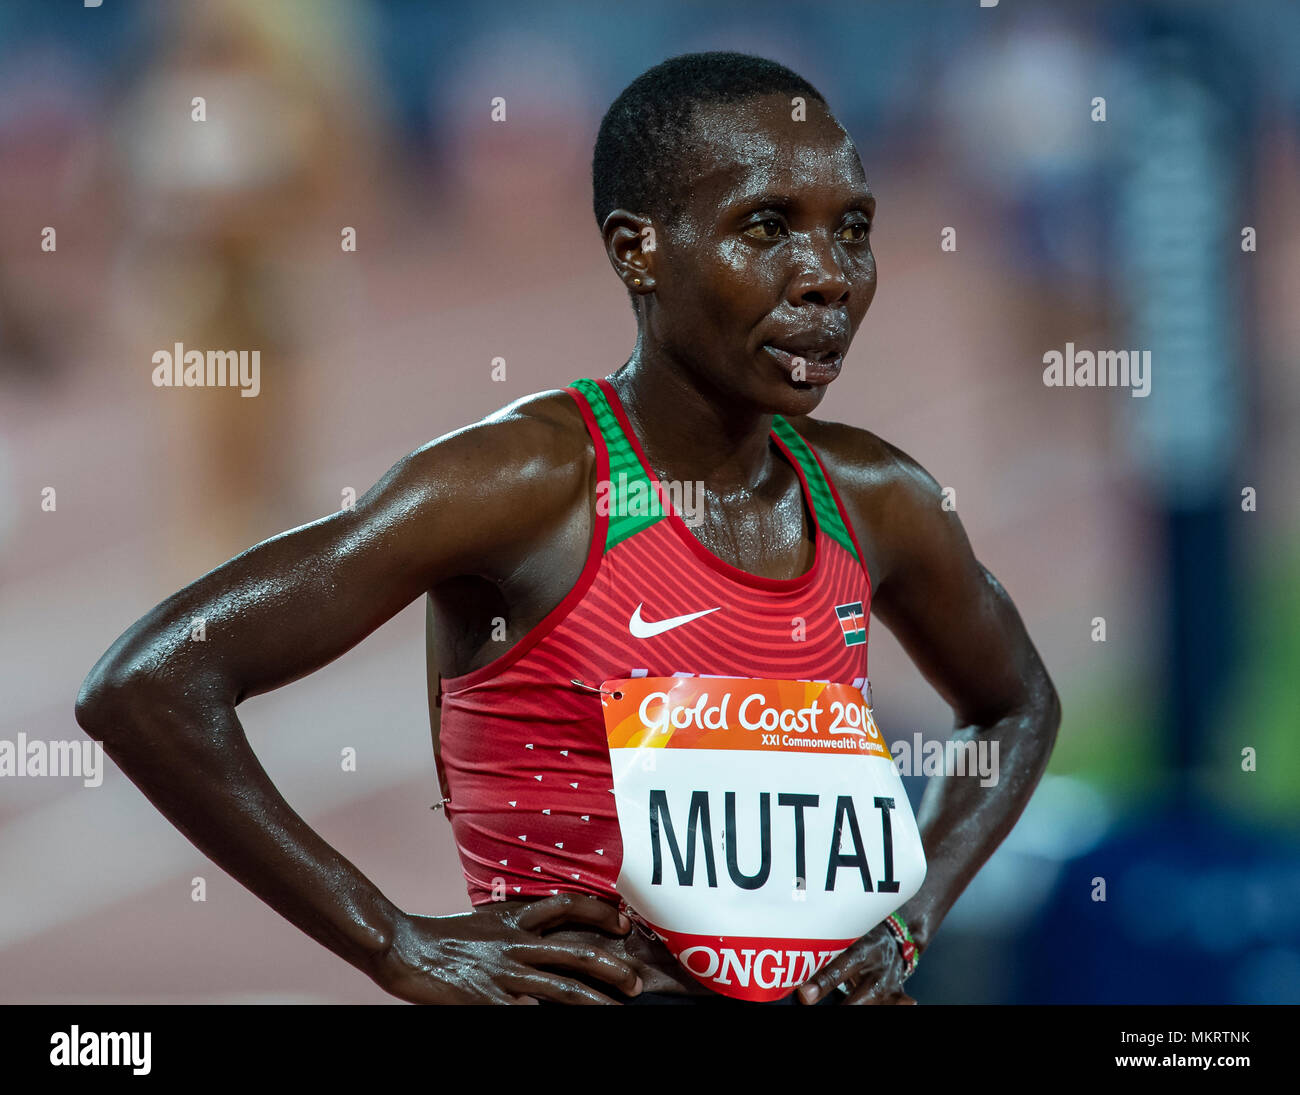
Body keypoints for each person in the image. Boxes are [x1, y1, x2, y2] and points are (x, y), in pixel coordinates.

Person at [76, 51, 1061, 1006]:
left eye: (851, 230)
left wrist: (910, 916)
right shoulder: (522, 484)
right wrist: (389, 941)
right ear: (639, 249)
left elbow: (1015, 704)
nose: (826, 277)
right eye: (766, 227)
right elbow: (149, 683)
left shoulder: (873, 496)